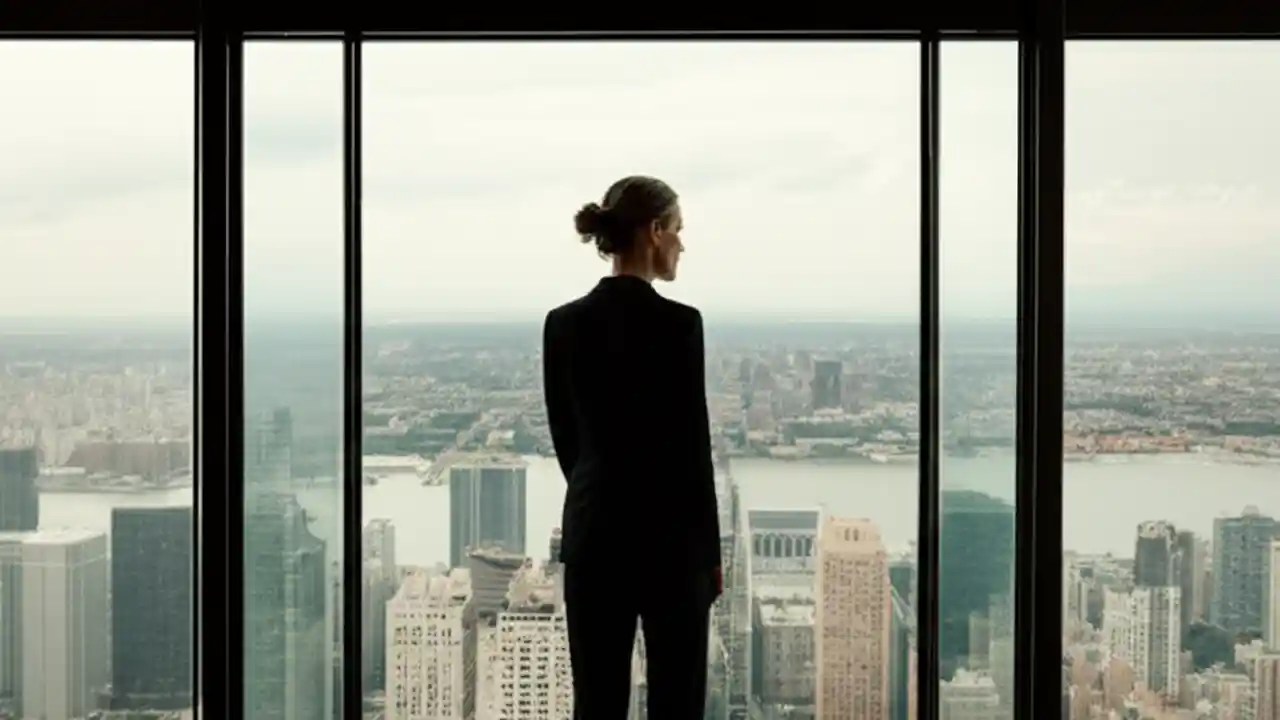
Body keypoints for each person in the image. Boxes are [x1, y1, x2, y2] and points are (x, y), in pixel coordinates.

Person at [542, 175, 723, 718]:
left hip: (596, 536)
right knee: (677, 703)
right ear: (655, 230)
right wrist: (710, 557)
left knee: (596, 704)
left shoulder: (562, 325)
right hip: (673, 544)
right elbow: (695, 450)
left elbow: (566, 441)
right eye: (679, 231)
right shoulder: (680, 326)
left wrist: (602, 486)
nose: (682, 246)